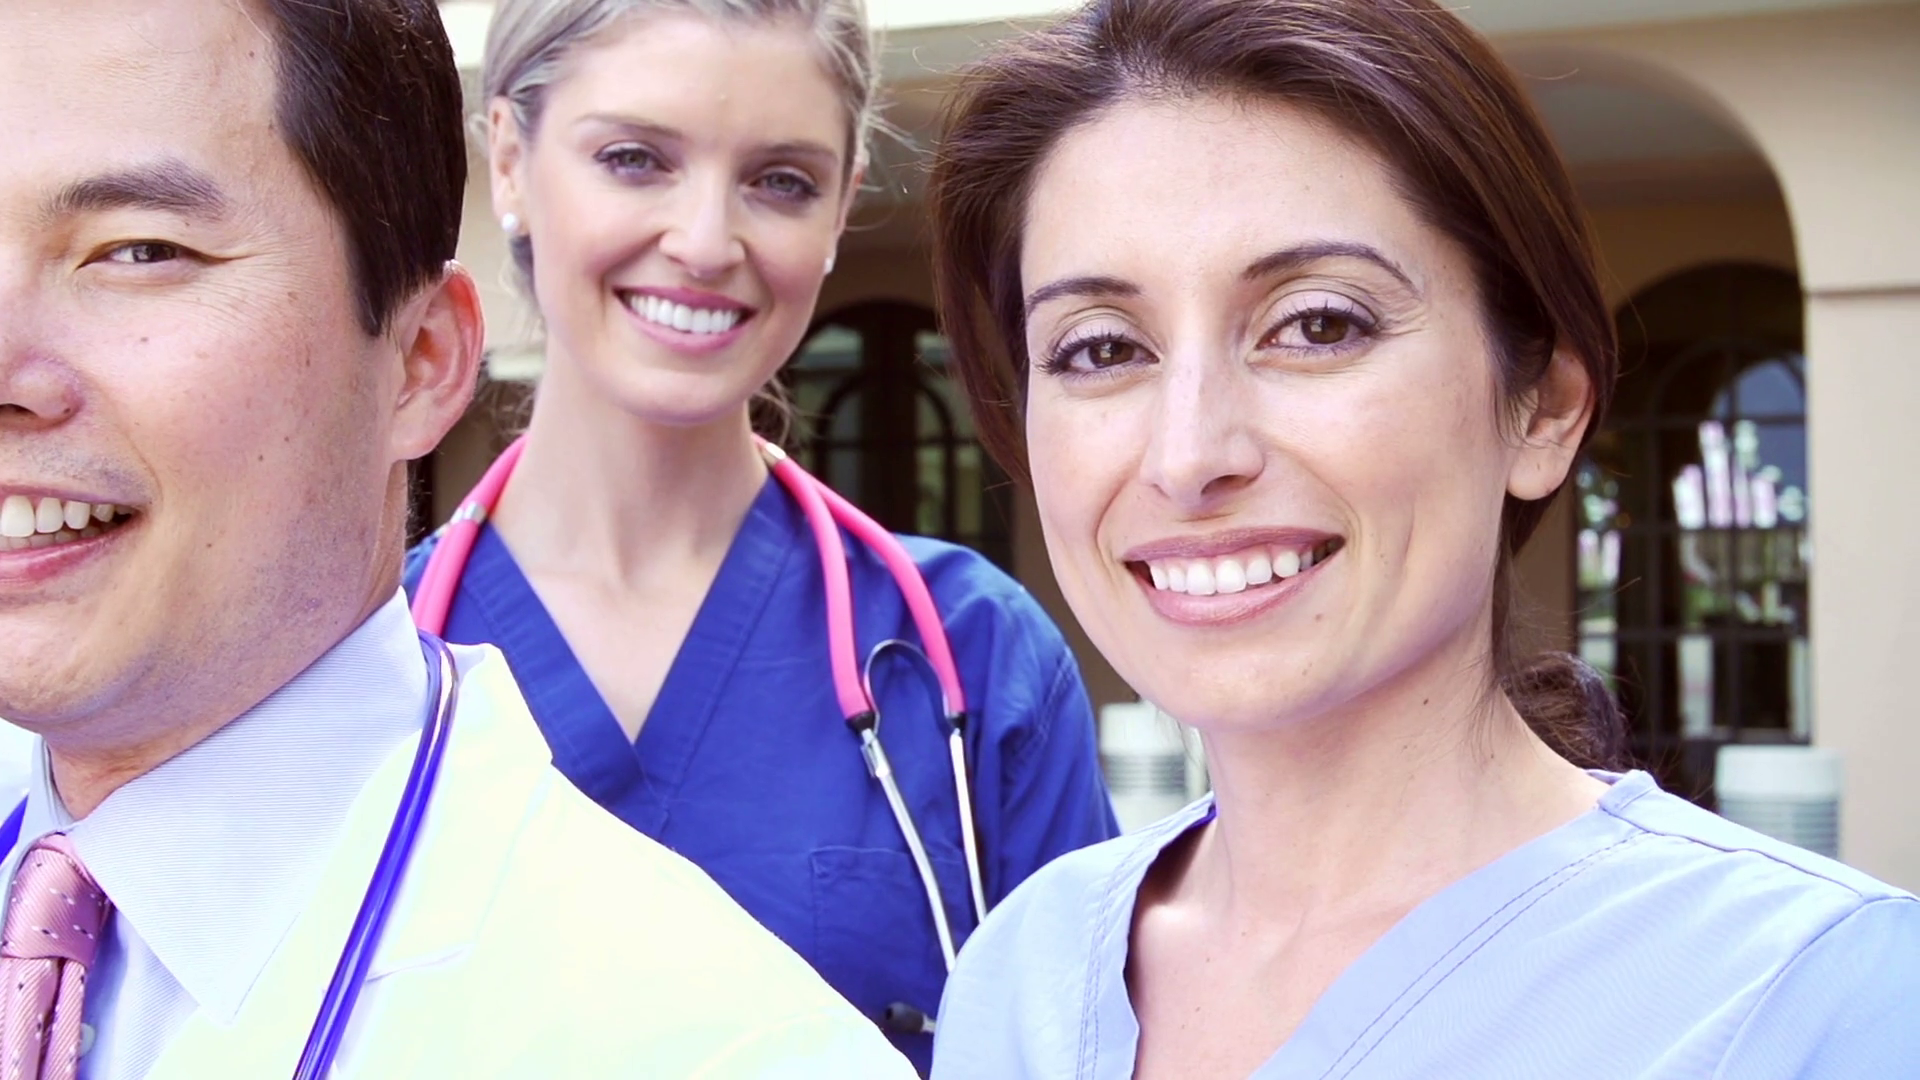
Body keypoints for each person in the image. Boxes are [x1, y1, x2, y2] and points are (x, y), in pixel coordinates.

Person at [922, 1, 1920, 1077]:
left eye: (1318, 325)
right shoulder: (1022, 973)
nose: (1189, 454)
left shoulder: (1815, 1000)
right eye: (1101, 348)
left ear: (1541, 409)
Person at [0, 0, 918, 1076]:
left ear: (422, 361)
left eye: (139, 250)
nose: (704, 242)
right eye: (634, 158)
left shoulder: (731, 1049)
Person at [401, 1, 1117, 1068]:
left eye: (781, 181)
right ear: (508, 159)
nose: (704, 243)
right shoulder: (356, 664)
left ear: (841, 206)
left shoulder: (971, 662)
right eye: (635, 159)